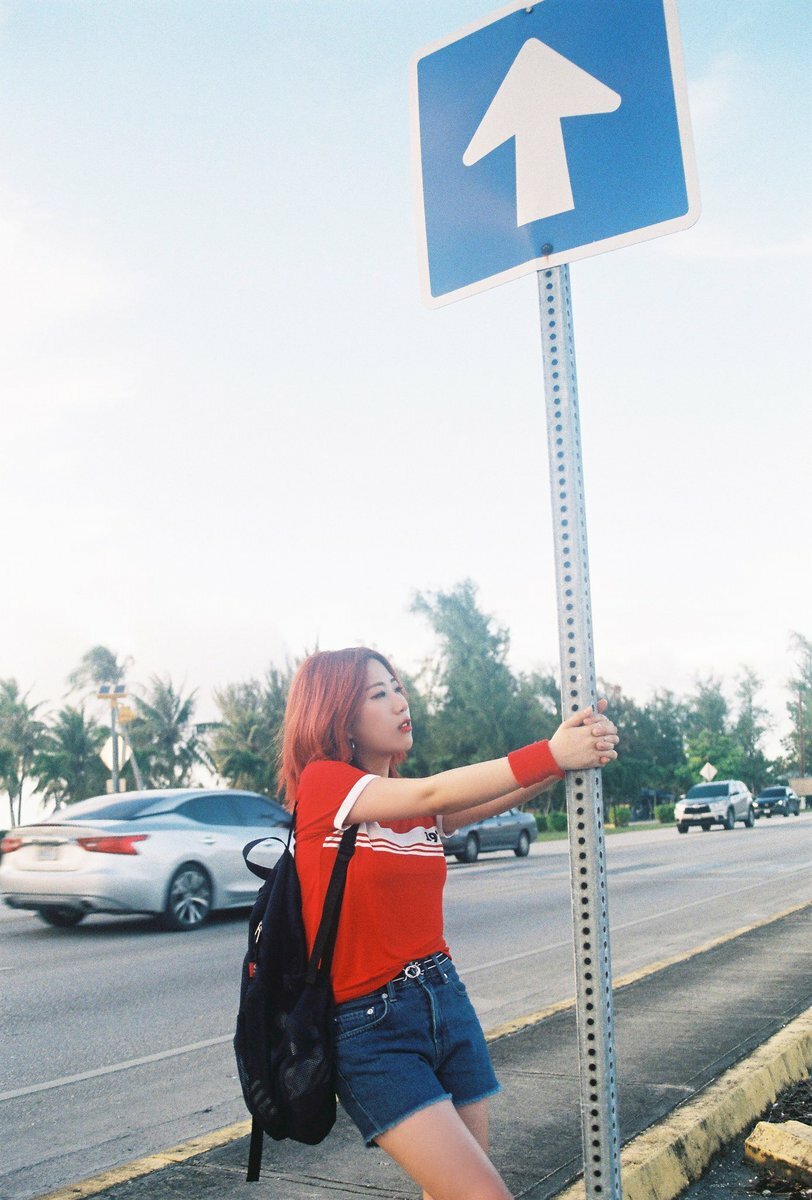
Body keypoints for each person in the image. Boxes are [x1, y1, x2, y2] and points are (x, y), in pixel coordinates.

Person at [279, 647, 619, 1200]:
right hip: (371, 1028)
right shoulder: (326, 786)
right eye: (378, 694)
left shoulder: (413, 806)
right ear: (336, 715)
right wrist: (551, 751)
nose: (399, 702)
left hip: (445, 1001)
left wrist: (567, 752)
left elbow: (496, 794)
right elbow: (434, 789)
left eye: (398, 687)